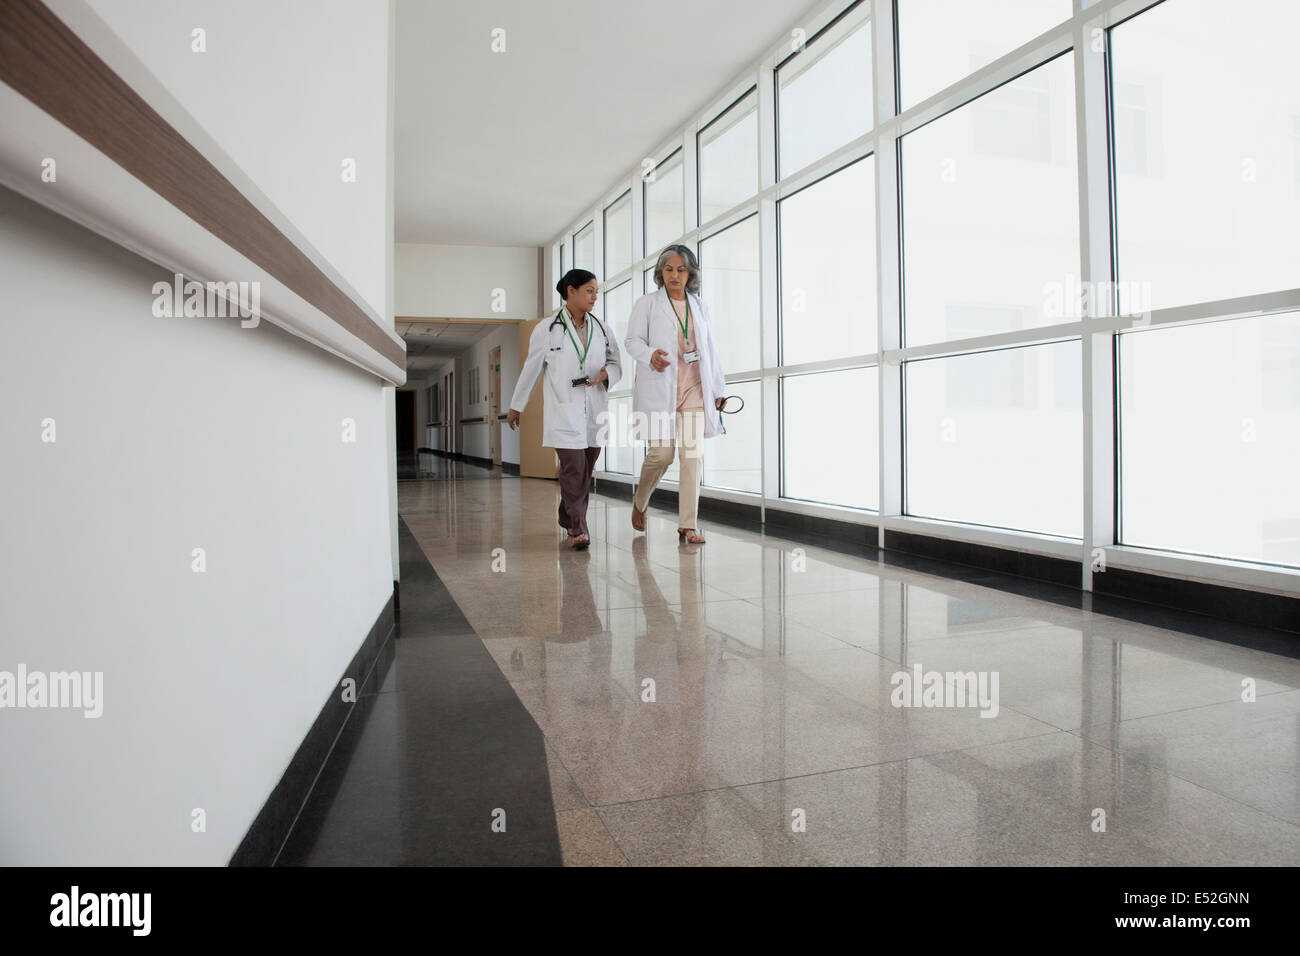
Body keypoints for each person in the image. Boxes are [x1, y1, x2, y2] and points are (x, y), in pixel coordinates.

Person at [508, 269, 621, 550]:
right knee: (573, 468)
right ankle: (579, 528)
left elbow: (616, 362)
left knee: (585, 470)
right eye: (590, 290)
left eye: (596, 291)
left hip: (594, 408)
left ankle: (566, 514)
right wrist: (516, 406)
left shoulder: (602, 328)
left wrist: (608, 373)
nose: (595, 296)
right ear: (571, 291)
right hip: (564, 410)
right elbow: (531, 370)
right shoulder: (546, 329)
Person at [623, 245, 726, 544]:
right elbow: (632, 340)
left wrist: (718, 389)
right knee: (662, 454)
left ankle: (687, 524)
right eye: (668, 269)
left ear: (690, 273)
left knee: (692, 456)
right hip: (660, 387)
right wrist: (649, 354)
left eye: (681, 270)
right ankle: (641, 501)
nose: (674, 275)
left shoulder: (700, 305)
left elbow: (711, 350)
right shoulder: (648, 304)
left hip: (695, 387)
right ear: (660, 273)